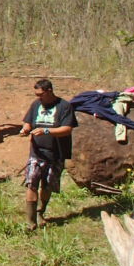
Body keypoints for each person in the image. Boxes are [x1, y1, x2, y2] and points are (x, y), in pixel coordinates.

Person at [19, 79, 78, 230]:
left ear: (49, 91)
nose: (38, 98)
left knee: (47, 186)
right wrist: (25, 129)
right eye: (36, 94)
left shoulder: (64, 106)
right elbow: (28, 121)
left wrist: (46, 130)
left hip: (56, 154)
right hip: (37, 153)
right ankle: (30, 221)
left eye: (41, 95)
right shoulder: (36, 105)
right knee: (31, 184)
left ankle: (40, 212)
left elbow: (67, 129)